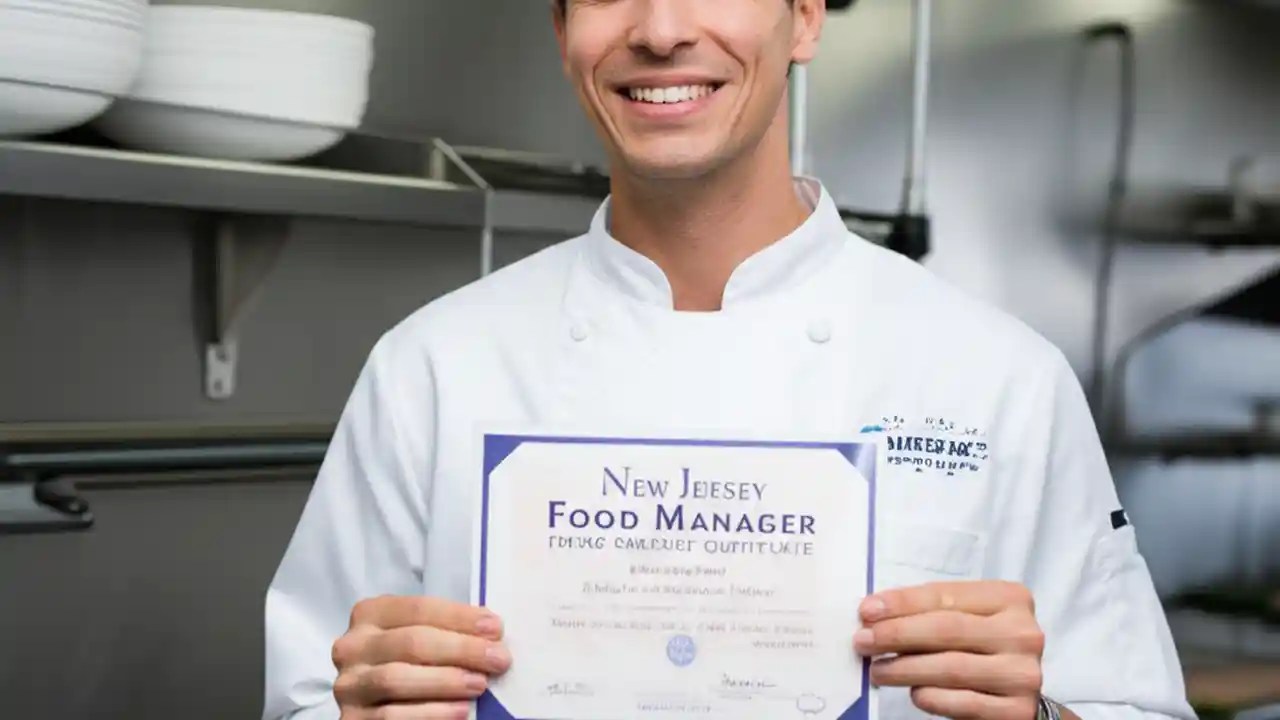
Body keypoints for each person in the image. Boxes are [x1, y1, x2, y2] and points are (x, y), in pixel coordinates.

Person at [262, 1, 1196, 719]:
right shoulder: (433, 367)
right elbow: (308, 696)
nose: (661, 31)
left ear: (804, 15)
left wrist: (1034, 711)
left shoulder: (999, 380)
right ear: (562, 29)